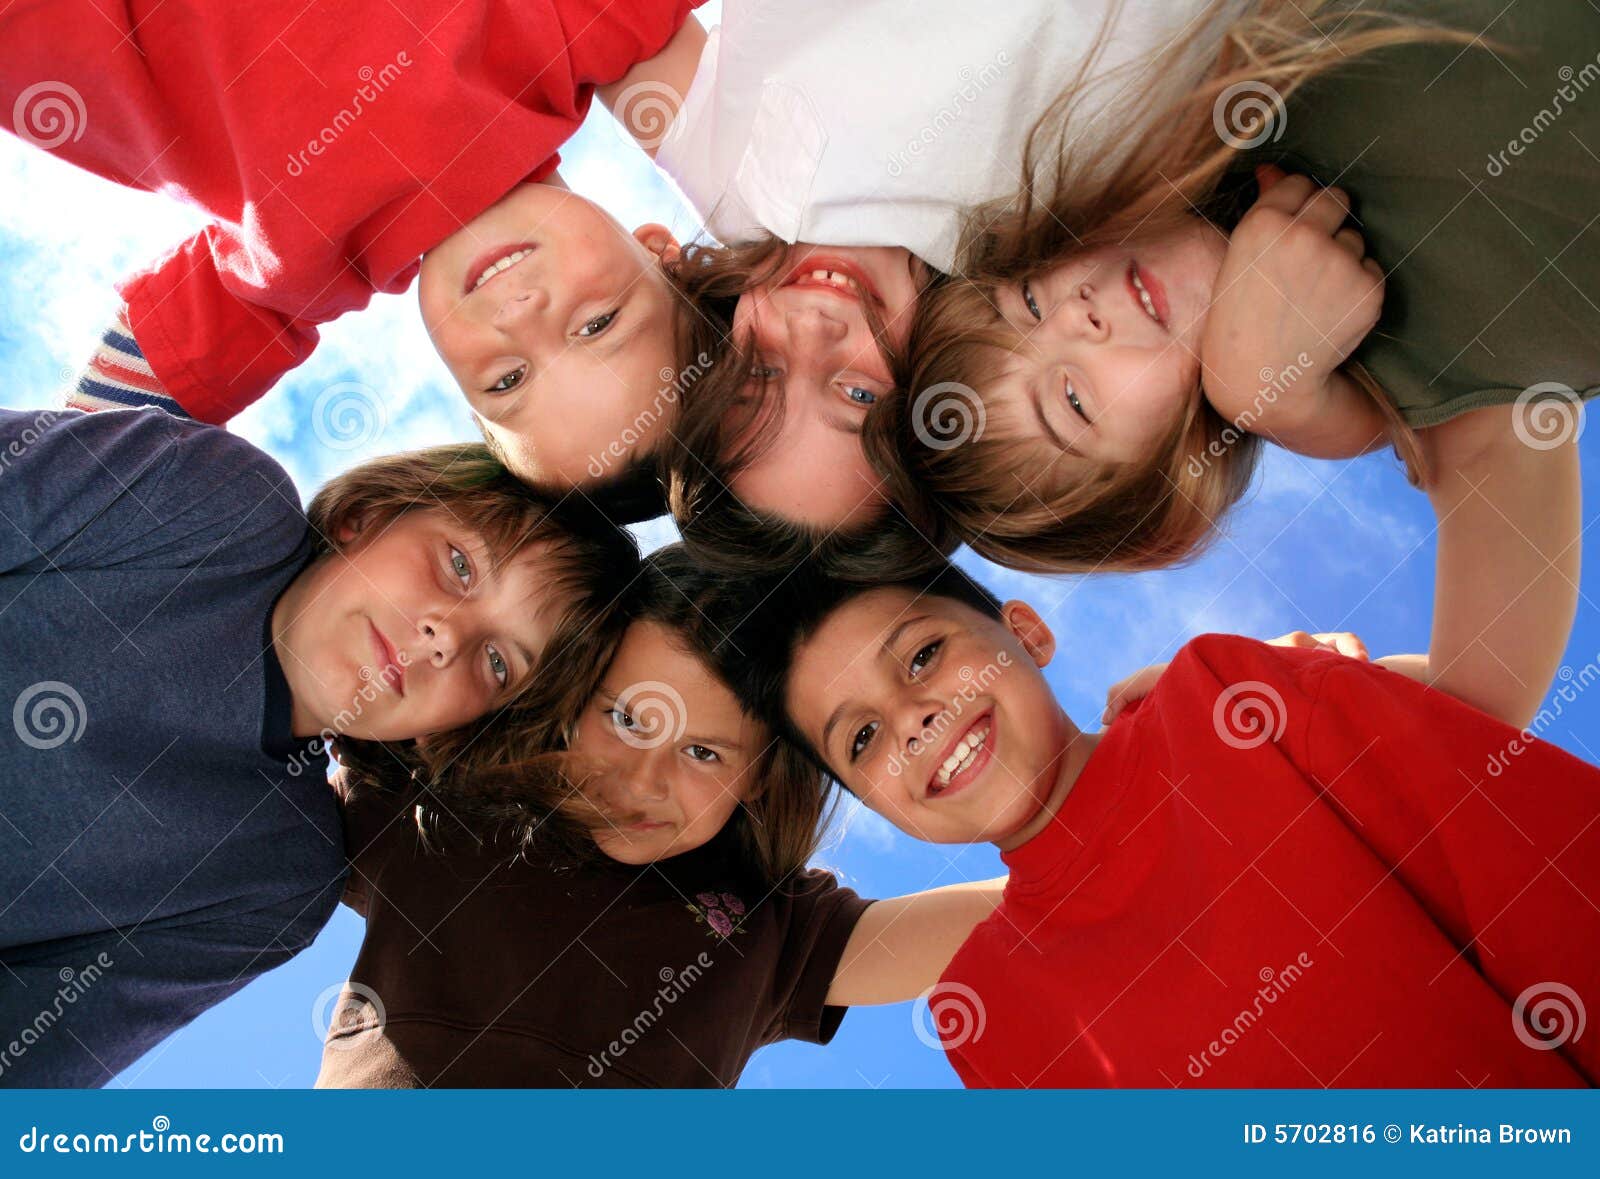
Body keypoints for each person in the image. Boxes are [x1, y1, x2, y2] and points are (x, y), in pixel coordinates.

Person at [879, 0, 1595, 725]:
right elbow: (1474, 711)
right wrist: (1249, 681)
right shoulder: (1444, 395)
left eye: (1030, 300)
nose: (1073, 314)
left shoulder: (1210, 85)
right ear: (1164, 480)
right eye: (1070, 397)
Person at [723, 558, 1600, 1087]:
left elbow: (1543, 876)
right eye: (864, 736)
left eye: (922, 654)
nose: (912, 716)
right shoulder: (985, 1012)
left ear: (1024, 632)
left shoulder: (1220, 699)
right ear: (872, 799)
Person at [0, 404, 636, 1086]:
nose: (446, 637)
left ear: (458, 729)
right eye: (458, 565)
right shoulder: (219, 501)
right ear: (364, 514)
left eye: (498, 663)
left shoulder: (278, 877)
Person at [316, 547, 1002, 1086]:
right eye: (623, 718)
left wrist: (1112, 753)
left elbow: (1027, 908)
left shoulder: (768, 928)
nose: (641, 779)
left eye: (703, 752)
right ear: (573, 692)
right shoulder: (445, 802)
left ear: (760, 778)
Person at [0, 0, 703, 516]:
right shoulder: (571, 24)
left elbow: (77, 461)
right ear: (661, 252)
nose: (524, 318)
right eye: (597, 326)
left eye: (508, 379)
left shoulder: (304, 276)